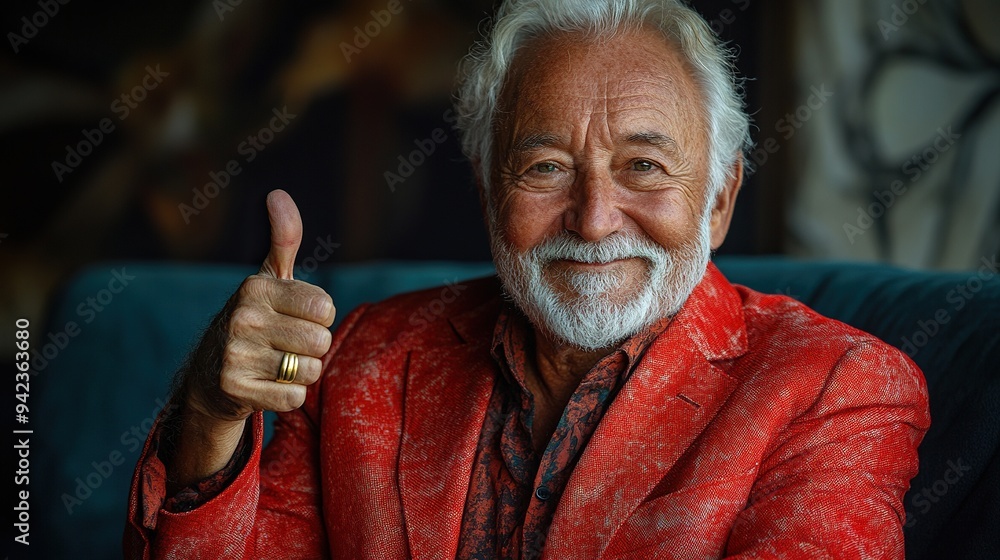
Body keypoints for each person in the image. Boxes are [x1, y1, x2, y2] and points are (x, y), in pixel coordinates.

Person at [124, 0, 930, 558]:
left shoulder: (841, 390)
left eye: (643, 167)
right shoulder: (363, 359)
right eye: (545, 167)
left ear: (718, 200)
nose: (593, 218)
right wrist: (210, 410)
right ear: (485, 193)